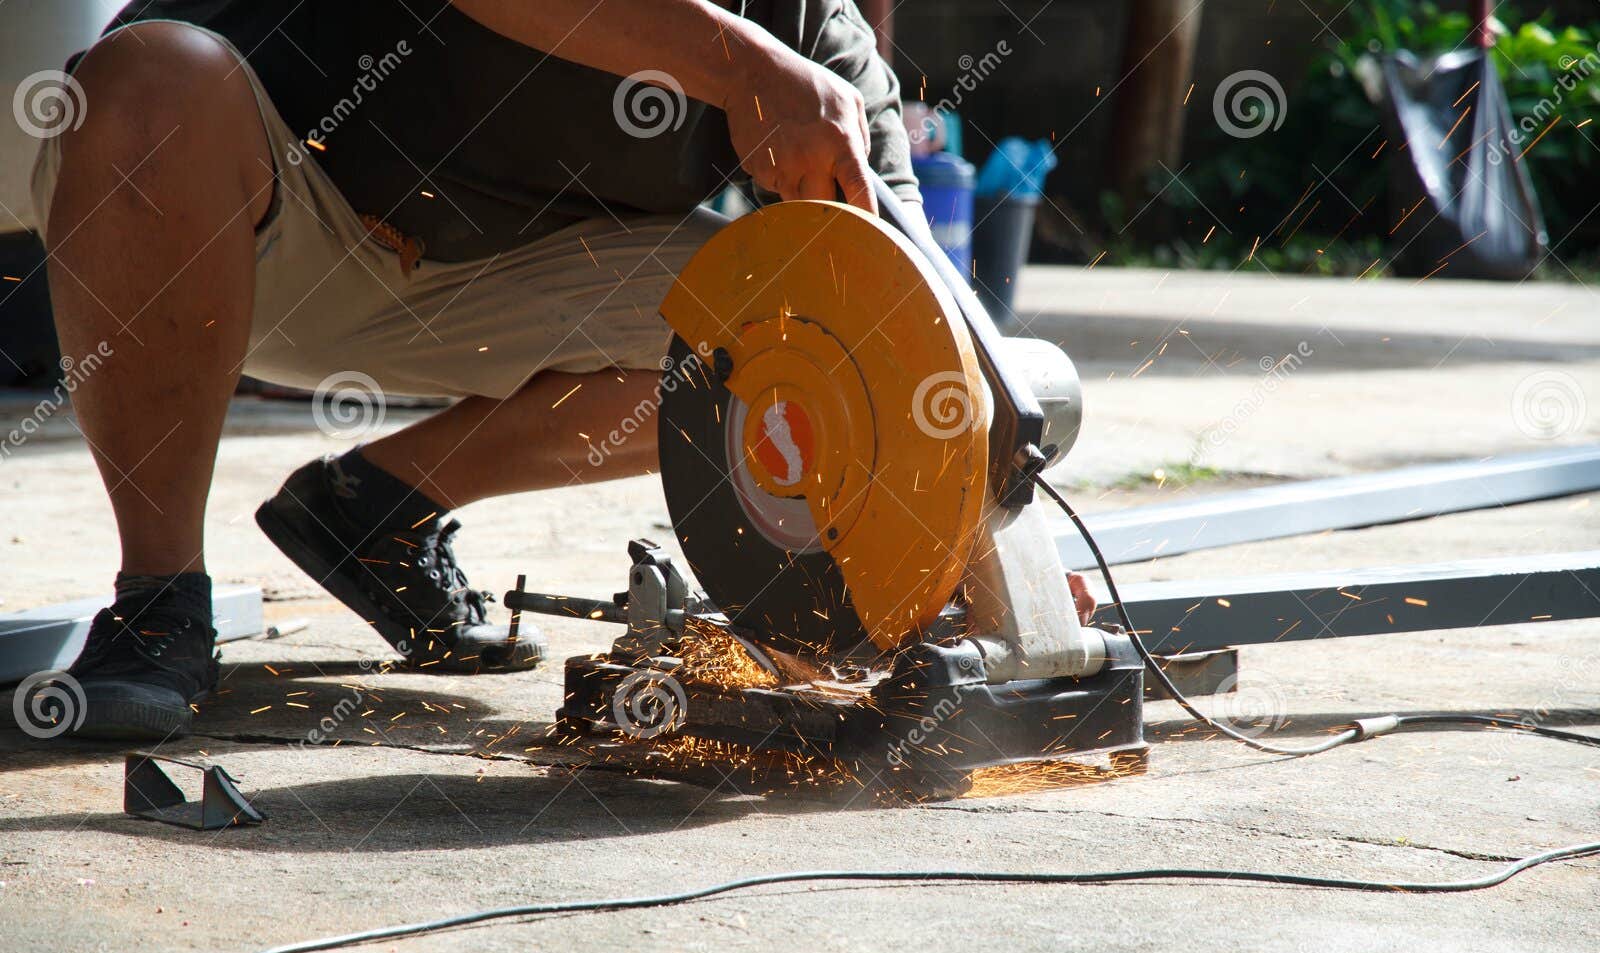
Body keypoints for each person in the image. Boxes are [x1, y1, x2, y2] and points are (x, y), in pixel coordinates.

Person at [29, 0, 1094, 741]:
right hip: (244, 225)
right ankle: (158, 601)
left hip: (494, 286)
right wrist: (738, 68)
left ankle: (377, 504)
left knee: (801, 313)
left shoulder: (816, 34)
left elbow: (911, 321)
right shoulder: (765, 57)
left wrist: (973, 552)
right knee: (151, 79)